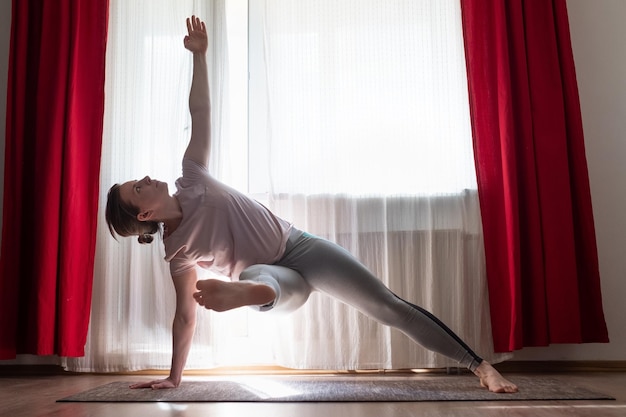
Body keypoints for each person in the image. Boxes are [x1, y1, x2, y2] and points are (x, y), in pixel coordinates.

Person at [105, 16, 518, 394]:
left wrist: (199, 56)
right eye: (138, 189)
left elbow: (201, 111)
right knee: (257, 275)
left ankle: (480, 367)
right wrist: (174, 376)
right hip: (276, 283)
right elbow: (184, 316)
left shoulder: (191, 175)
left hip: (302, 248)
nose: (145, 180)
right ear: (144, 216)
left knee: (388, 306)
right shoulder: (177, 253)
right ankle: (247, 292)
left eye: (139, 180)